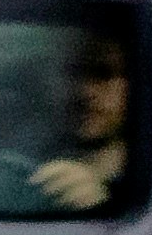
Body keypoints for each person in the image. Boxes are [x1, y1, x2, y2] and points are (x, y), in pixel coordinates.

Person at [26, 39, 134, 214]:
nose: (85, 92)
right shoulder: (26, 153)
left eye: (103, 75)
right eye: (73, 73)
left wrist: (99, 208)